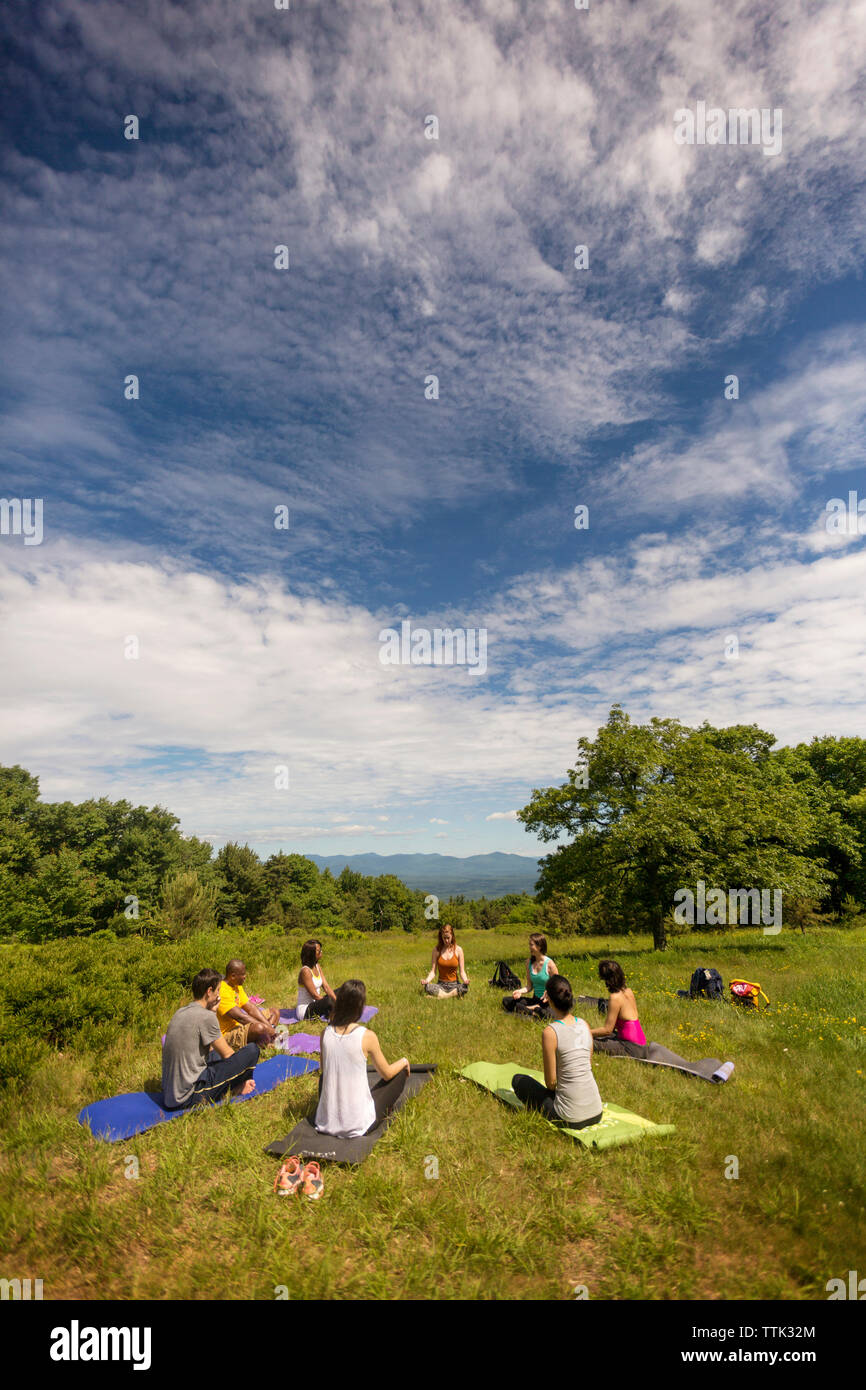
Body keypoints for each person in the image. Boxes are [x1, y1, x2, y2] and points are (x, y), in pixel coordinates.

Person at [315, 980, 410, 1139]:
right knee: (398, 1074)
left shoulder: (325, 1033)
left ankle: (331, 1110)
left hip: (326, 1122)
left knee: (324, 1077)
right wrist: (404, 1061)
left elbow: (324, 1071)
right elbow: (386, 1074)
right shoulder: (366, 1036)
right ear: (360, 1007)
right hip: (358, 1124)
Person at [511, 974, 603, 1128]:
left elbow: (551, 1084)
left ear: (549, 1000)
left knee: (519, 1080)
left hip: (570, 1118)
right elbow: (587, 1064)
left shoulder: (551, 1032)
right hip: (596, 1111)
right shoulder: (584, 1024)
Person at [162, 968, 259, 1110]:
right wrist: (240, 1073)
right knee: (252, 1050)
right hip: (189, 1095)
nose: (219, 995)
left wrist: (212, 1012)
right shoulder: (206, 1017)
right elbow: (228, 1055)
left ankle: (232, 1085)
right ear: (209, 992)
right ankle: (237, 1088)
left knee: (214, 1054)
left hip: (170, 1093)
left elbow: (210, 1050)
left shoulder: (180, 1012)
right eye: (218, 991)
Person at [590, 959, 649, 1058]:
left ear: (607, 980)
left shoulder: (615, 998)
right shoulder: (628, 991)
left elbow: (607, 1030)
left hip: (630, 1047)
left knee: (589, 1041)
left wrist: (586, 1032)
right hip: (641, 1043)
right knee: (603, 1037)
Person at [217, 959, 279, 1047]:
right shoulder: (222, 991)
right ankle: (266, 1038)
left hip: (240, 1025)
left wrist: (269, 1027)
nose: (245, 976)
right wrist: (268, 1029)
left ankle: (265, 1038)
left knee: (274, 1012)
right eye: (243, 974)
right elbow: (240, 1017)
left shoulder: (236, 985)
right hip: (228, 1033)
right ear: (233, 976)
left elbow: (251, 1009)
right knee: (259, 1028)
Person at [502, 933, 557, 1016]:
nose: (529, 947)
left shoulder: (550, 964)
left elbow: (558, 986)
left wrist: (549, 992)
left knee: (547, 1013)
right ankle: (534, 1010)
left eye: (531, 945)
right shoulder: (529, 963)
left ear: (540, 946)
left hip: (548, 1001)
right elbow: (529, 986)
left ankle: (532, 1010)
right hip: (535, 999)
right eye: (529, 945)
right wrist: (519, 991)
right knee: (506, 1000)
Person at [420, 924, 469, 998]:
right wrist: (426, 980)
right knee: (427, 987)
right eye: (444, 938)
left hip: (455, 984)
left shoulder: (459, 950)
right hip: (441, 985)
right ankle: (451, 996)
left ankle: (442, 997)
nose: (446, 940)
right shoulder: (436, 950)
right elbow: (433, 972)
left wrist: (465, 980)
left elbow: (462, 972)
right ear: (441, 937)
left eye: (448, 938)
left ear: (452, 936)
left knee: (464, 988)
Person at [296, 939, 337, 1020]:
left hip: (317, 1003)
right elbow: (315, 995)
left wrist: (336, 1001)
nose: (321, 952)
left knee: (342, 991)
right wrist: (331, 1003)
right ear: (311, 953)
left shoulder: (317, 966)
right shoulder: (305, 971)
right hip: (305, 1010)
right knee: (329, 1001)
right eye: (318, 951)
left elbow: (326, 987)